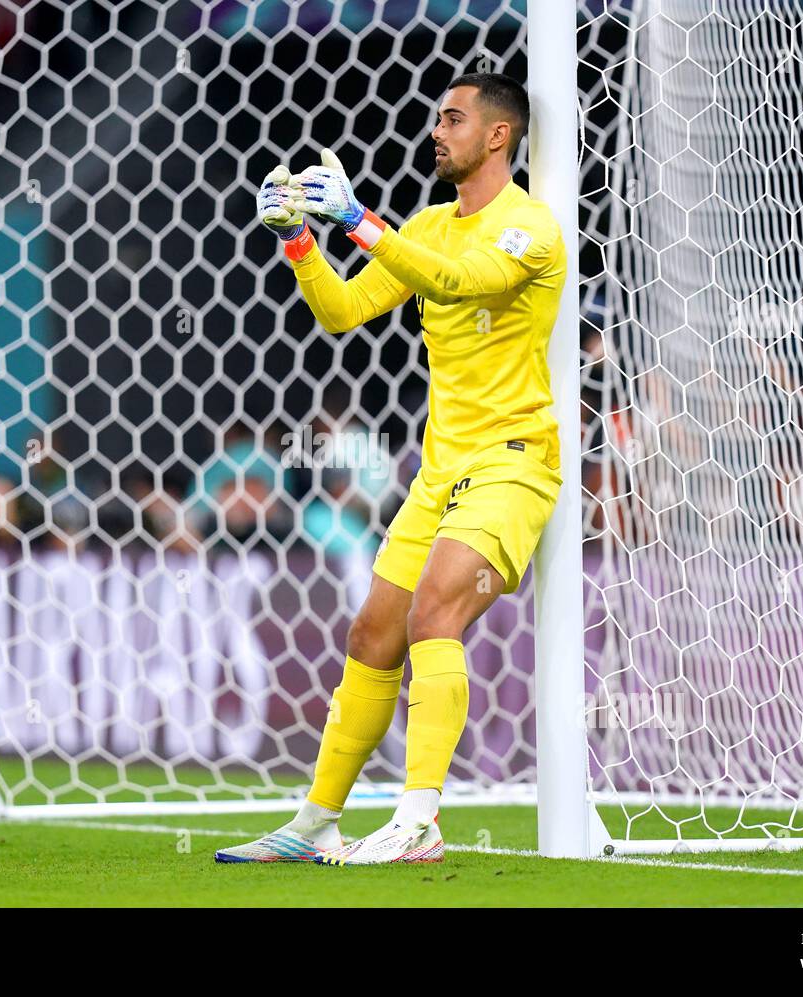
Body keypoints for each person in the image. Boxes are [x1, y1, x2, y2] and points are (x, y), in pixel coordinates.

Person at [217, 74, 566, 864]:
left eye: (454, 119)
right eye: (437, 118)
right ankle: (317, 821)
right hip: (440, 473)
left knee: (432, 617)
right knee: (373, 634)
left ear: (499, 135)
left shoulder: (529, 228)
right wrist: (302, 240)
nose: (437, 132)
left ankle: (419, 819)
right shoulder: (428, 225)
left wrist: (357, 220)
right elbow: (341, 312)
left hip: (513, 461)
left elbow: (458, 281)